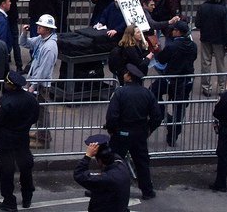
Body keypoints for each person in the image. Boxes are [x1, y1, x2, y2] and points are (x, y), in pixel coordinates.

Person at [104, 63, 161, 201]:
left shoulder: (120, 93)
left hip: (122, 133)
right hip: (140, 133)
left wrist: (112, 130)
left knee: (112, 161)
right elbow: (157, 116)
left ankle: (105, 190)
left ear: (129, 77)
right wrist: (148, 129)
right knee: (141, 162)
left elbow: (112, 116)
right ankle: (147, 190)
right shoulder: (147, 93)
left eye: (125, 73)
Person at [0, 71, 39, 211]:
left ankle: (9, 200)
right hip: (22, 138)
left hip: (6, 141)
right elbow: (35, 118)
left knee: (7, 171)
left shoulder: (5, 102)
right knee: (25, 167)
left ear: (10, 85)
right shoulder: (31, 99)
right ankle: (27, 197)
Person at [153, 20, 198, 147]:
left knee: (153, 93)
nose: (172, 31)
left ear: (178, 32)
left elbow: (161, 59)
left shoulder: (172, 46)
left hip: (171, 79)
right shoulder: (193, 46)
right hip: (186, 81)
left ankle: (165, 117)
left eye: (174, 30)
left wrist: (157, 51)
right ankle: (173, 134)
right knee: (180, 108)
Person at [19, 14, 59, 147]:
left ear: (48, 29)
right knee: (38, 110)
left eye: (41, 26)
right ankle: (41, 134)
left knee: (42, 112)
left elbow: (44, 70)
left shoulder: (49, 47)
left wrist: (33, 85)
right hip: (37, 81)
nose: (38, 27)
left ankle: (43, 139)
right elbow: (25, 43)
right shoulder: (41, 39)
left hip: (42, 84)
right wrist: (24, 33)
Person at [73, 133, 132, 212]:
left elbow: (78, 174)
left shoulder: (106, 178)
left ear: (99, 161)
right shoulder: (121, 164)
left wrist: (87, 156)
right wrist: (103, 146)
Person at [196, 0, 227, 97]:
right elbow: (226, 28)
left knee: (205, 63)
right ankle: (221, 87)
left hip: (206, 38)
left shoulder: (202, 7)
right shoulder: (222, 9)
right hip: (219, 39)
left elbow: (197, 24)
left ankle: (206, 87)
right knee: (220, 64)